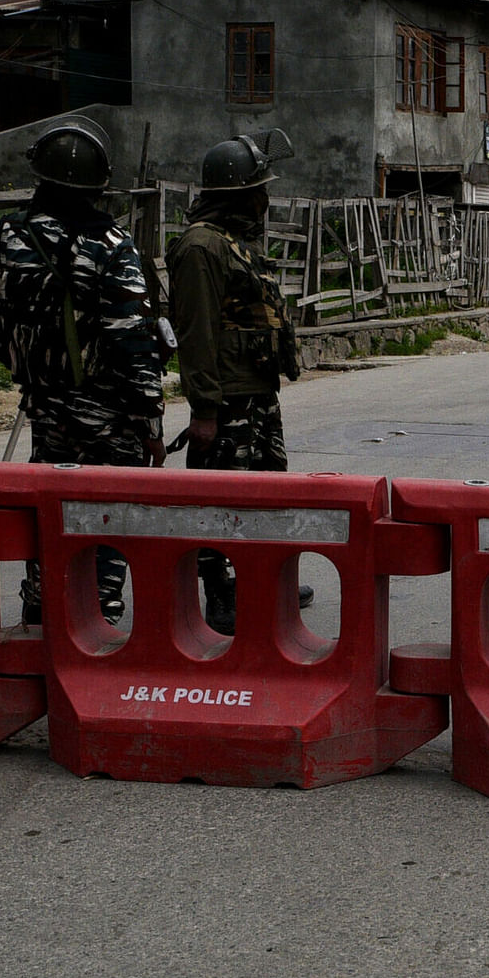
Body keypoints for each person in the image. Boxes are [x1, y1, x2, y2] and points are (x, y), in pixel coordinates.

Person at [0, 117, 165, 627]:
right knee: (107, 510)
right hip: (111, 411)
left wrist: (32, 370)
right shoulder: (110, 243)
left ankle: (41, 602)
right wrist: (148, 414)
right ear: (100, 184)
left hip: (43, 405)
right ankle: (95, 614)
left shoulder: (4, 236)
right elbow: (131, 337)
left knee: (49, 506)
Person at [168, 130, 313, 631]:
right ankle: (221, 592)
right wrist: (204, 409)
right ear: (238, 194)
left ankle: (266, 577)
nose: (266, 200)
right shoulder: (200, 248)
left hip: (256, 394)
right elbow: (196, 332)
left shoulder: (236, 243)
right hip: (226, 401)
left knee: (268, 491)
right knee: (220, 499)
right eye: (259, 190)